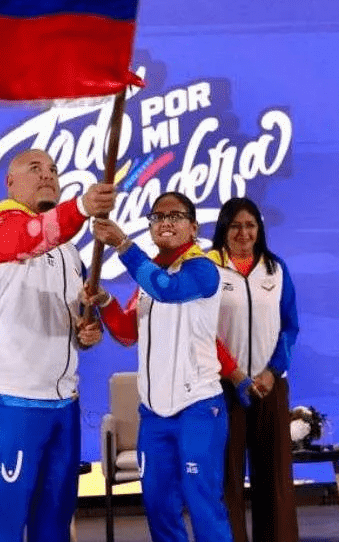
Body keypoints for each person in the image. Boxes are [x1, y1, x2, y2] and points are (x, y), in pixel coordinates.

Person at [0, 149, 111, 542]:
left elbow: (72, 321)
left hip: (62, 402)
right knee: (5, 524)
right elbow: (30, 236)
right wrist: (82, 206)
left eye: (53, 170)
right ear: (10, 183)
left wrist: (84, 333)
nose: (47, 175)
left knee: (55, 523)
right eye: (34, 169)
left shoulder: (69, 253)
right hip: (8, 398)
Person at [90, 192, 239, 542]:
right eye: (158, 217)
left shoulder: (203, 269)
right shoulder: (149, 278)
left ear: (193, 226)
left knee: (203, 503)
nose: (166, 222)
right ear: (151, 226)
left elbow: (169, 290)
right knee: (158, 505)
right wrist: (106, 301)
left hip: (198, 407)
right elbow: (128, 333)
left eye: (176, 215)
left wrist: (123, 245)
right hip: (155, 413)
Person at [208, 198, 300, 542]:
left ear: (259, 229)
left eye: (250, 225)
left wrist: (272, 372)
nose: (243, 233)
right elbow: (203, 332)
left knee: (274, 478)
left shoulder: (275, 271)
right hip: (222, 388)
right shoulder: (208, 269)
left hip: (269, 387)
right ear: (223, 230)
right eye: (235, 226)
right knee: (226, 478)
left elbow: (290, 327)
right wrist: (235, 375)